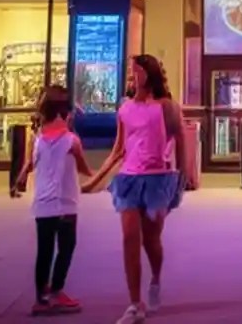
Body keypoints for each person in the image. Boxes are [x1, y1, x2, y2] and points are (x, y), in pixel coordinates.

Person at [83, 55, 187, 324]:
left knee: (151, 240)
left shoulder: (166, 106)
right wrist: (94, 181)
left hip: (157, 179)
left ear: (148, 74)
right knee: (130, 237)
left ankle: (155, 279)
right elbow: (118, 149)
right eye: (130, 72)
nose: (131, 76)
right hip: (129, 178)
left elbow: (181, 140)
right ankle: (134, 304)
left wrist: (182, 180)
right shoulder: (125, 108)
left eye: (136, 71)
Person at [13, 85, 95, 315]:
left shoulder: (37, 139)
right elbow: (86, 170)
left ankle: (41, 298)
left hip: (42, 204)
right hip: (65, 203)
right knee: (66, 247)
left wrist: (19, 180)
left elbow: (29, 164)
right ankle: (57, 291)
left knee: (44, 250)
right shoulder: (72, 141)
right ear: (64, 114)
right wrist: (105, 174)